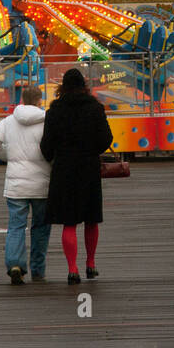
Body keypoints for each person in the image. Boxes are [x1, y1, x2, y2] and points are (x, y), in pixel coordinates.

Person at [40, 68, 113, 284]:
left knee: (69, 222)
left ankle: (73, 269)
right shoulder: (95, 108)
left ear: (62, 87)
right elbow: (106, 139)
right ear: (84, 85)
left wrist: (54, 156)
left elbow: (46, 146)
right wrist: (92, 151)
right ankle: (91, 264)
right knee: (91, 220)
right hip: (89, 168)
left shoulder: (54, 111)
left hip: (64, 169)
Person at [0, 84, 52, 284]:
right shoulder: (47, 121)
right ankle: (38, 269)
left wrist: (8, 156)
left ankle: (15, 264)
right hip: (42, 184)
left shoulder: (9, 121)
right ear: (40, 100)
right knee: (41, 227)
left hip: (16, 185)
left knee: (16, 226)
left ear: (22, 99)